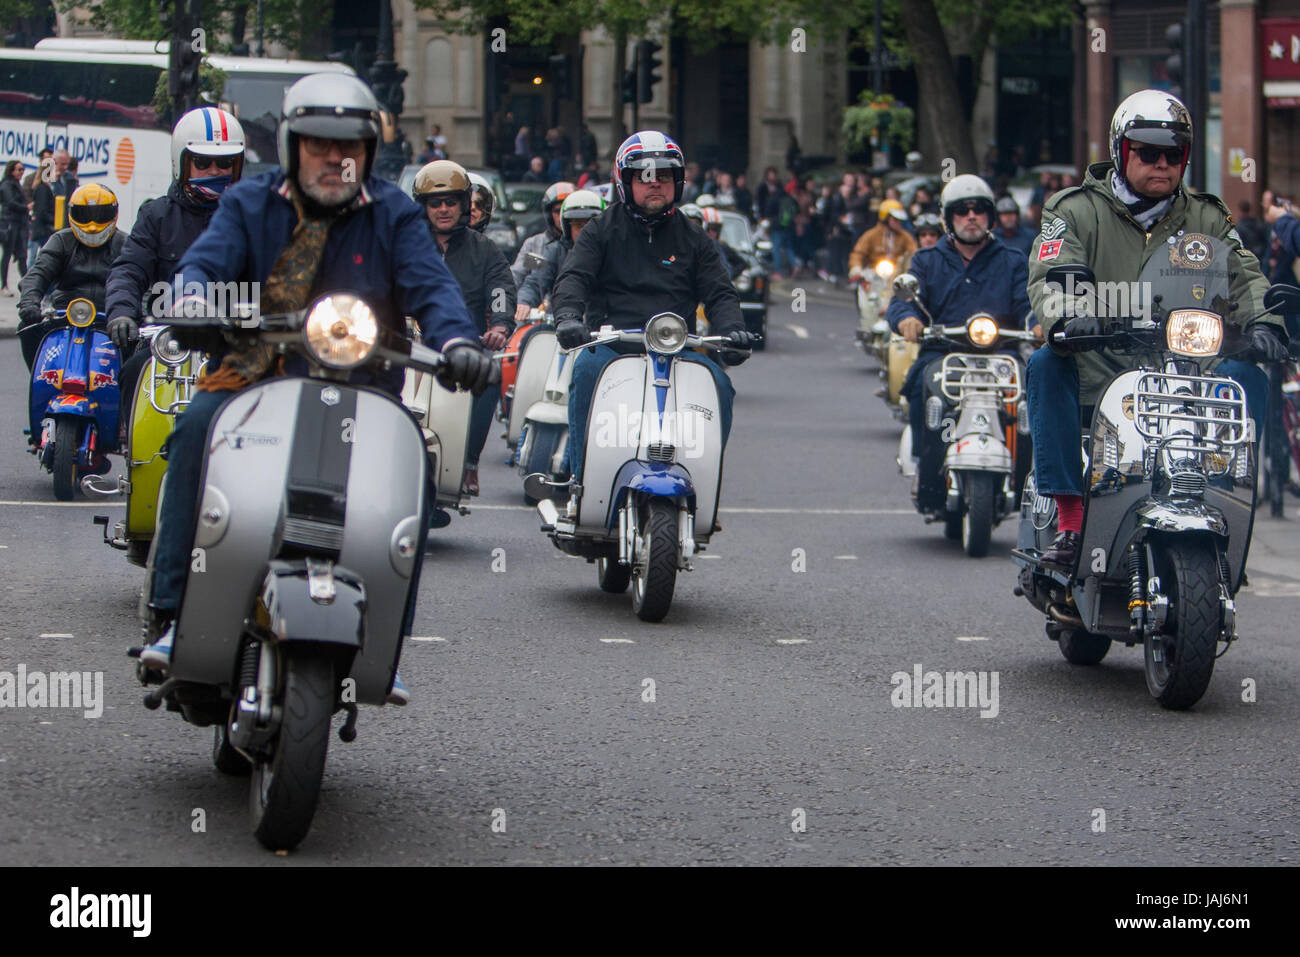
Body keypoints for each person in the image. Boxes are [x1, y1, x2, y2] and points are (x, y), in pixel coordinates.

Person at [137, 74, 490, 703]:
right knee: (193, 430)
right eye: (319, 144)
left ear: (368, 153)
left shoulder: (394, 214)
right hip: (252, 373)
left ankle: (387, 642)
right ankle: (171, 609)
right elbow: (205, 263)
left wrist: (459, 341)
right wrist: (191, 298)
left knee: (415, 461)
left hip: (363, 387)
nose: (334, 159)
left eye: (348, 147)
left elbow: (432, 287)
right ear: (291, 145)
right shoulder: (249, 204)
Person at [1027, 90, 1287, 567]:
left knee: (1248, 373)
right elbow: (1052, 273)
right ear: (1120, 151)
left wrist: (1266, 323)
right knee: (1046, 363)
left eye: (1173, 154)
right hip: (1099, 366)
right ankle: (1071, 519)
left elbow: (1245, 276)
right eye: (1147, 153)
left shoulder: (1208, 217)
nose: (1162, 164)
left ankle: (1225, 503)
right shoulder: (1074, 210)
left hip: (1188, 373)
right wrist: (1068, 318)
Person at [549, 131, 757, 491]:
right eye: (643, 176)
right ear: (625, 182)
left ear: (678, 182)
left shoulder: (695, 239)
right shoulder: (599, 231)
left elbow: (720, 293)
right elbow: (573, 278)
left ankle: (704, 487)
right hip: (612, 345)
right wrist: (567, 317)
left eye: (663, 175)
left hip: (679, 350)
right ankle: (580, 483)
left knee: (719, 384)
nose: (654, 183)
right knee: (584, 372)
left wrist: (732, 330)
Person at [886, 174, 1034, 510]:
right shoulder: (926, 260)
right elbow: (904, 301)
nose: (971, 217)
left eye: (979, 210)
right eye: (962, 211)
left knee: (1030, 392)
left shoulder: (1013, 260)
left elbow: (1029, 305)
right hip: (944, 351)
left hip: (1002, 353)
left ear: (990, 217)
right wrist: (907, 318)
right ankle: (925, 470)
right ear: (948, 218)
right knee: (922, 386)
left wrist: (1039, 325)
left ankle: (1028, 479)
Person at [105, 107, 247, 429]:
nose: (215, 170)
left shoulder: (254, 218)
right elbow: (128, 269)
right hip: (170, 339)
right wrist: (121, 314)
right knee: (134, 371)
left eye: (225, 163)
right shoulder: (156, 216)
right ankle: (133, 452)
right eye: (203, 162)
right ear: (181, 163)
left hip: (237, 341)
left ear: (238, 166)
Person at [414, 160, 516, 497]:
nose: (443, 209)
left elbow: (501, 288)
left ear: (463, 205)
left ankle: (469, 460)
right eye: (435, 203)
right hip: (406, 343)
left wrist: (499, 325)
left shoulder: (484, 248)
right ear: (423, 207)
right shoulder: (406, 243)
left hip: (463, 343)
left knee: (490, 375)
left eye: (451, 202)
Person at [17, 183, 126, 372]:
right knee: (26, 327)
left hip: (113, 318)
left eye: (100, 214)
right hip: (63, 316)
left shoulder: (126, 243)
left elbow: (141, 278)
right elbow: (38, 273)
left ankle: (127, 388)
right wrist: (29, 303)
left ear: (113, 213)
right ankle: (39, 374)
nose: (92, 224)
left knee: (137, 354)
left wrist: (135, 313)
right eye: (84, 215)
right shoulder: (61, 240)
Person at [514, 188, 605, 319]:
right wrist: (524, 302)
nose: (585, 232)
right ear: (567, 227)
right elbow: (535, 281)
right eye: (578, 225)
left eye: (590, 225)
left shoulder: (613, 252)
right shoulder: (548, 248)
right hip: (561, 320)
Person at [509, 180, 573, 287]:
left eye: (567, 210)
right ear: (549, 215)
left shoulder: (586, 245)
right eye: (557, 211)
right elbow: (517, 276)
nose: (562, 216)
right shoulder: (535, 245)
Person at [847, 199, 917, 281]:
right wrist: (856, 268)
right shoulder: (871, 235)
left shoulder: (905, 237)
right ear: (886, 219)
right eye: (895, 219)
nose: (899, 222)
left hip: (897, 277)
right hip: (873, 276)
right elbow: (858, 253)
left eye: (900, 220)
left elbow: (914, 253)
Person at [1, 160, 29, 294]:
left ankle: (28, 285)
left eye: (23, 169)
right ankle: (4, 285)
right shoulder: (7, 185)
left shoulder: (17, 184)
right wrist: (26, 208)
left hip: (19, 223)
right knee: (8, 254)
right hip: (10, 224)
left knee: (22, 255)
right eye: (19, 169)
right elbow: (10, 202)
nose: (22, 172)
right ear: (11, 171)